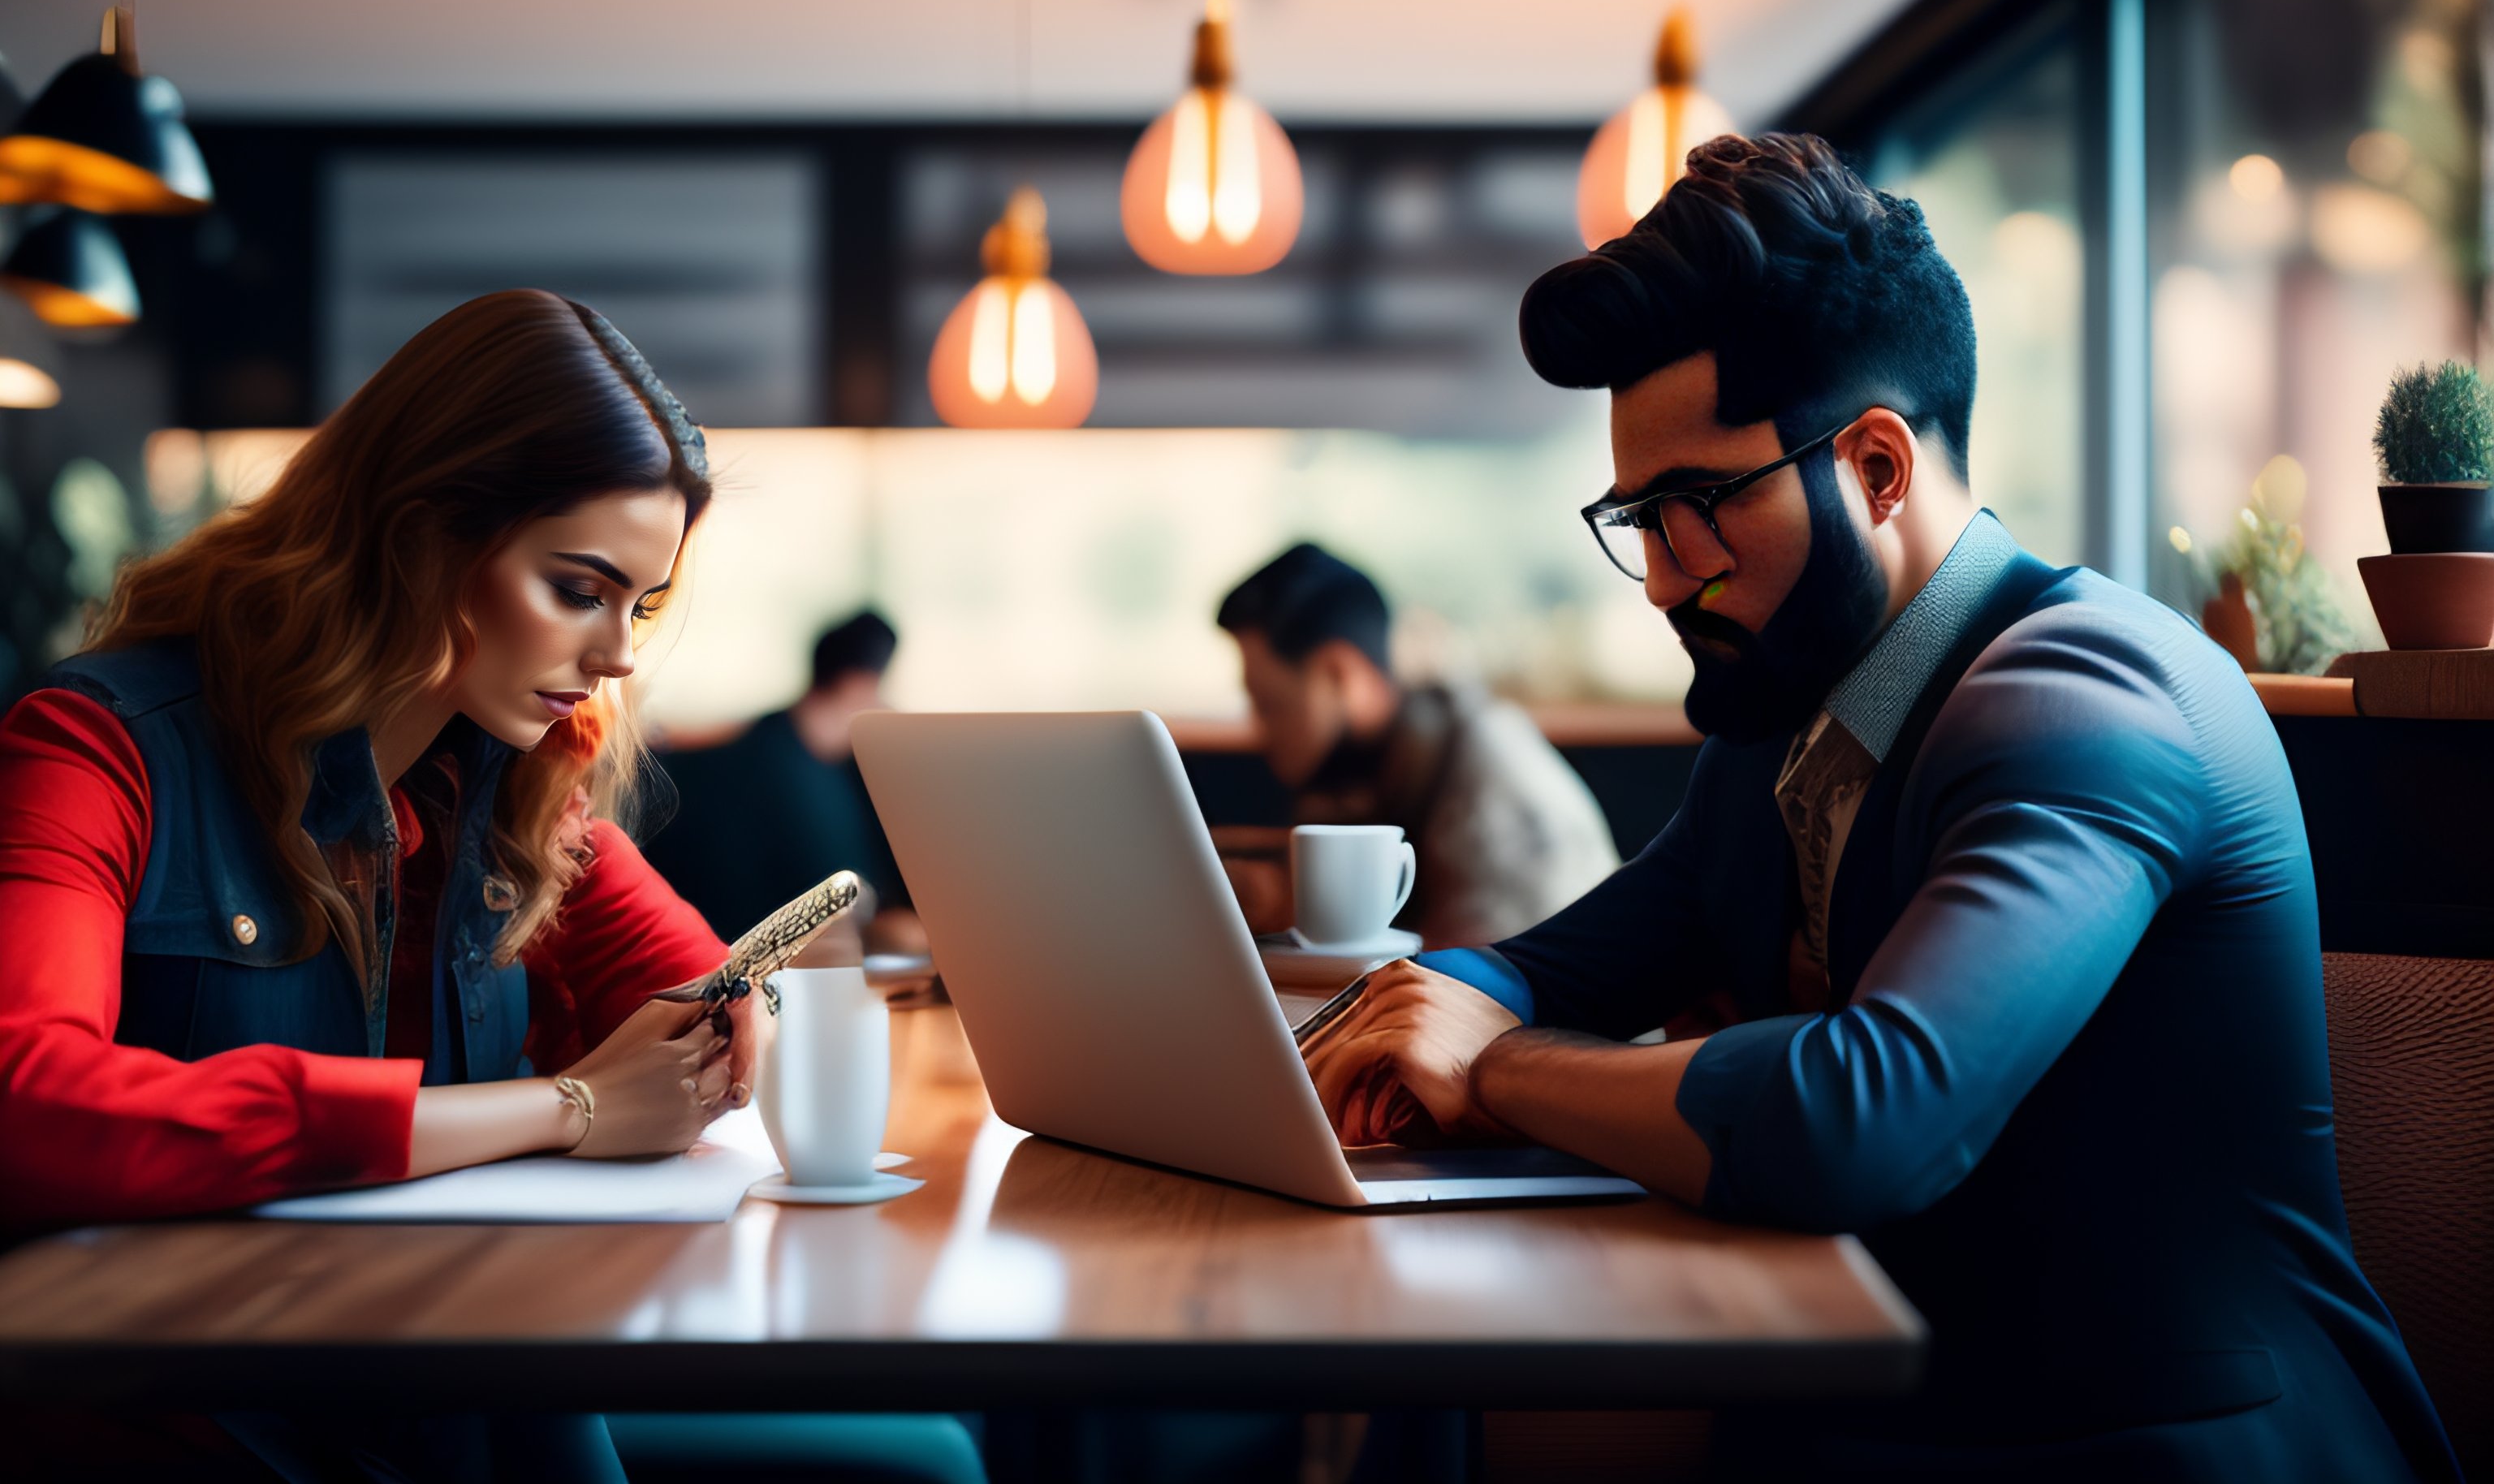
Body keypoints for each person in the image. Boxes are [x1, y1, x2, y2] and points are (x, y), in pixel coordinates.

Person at [1301, 136, 2460, 1482]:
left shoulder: (2093, 695)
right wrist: (1386, 1020)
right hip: (1875, 1406)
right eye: (1638, 521)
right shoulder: (1785, 722)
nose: (1663, 582)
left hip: (2156, 1444)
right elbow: (1558, 965)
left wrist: (1495, 1065)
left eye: (1693, 510)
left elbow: (1870, 1112)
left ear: (1875, 468)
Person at [0, 291, 977, 1482]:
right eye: (578, 589)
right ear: (420, 536)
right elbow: (27, 1102)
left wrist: (721, 1036)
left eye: (640, 604)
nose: (619, 652)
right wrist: (567, 1108)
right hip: (185, 1415)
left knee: (929, 1449)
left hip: (444, 1374)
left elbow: (695, 995)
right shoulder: (96, 747)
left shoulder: (516, 791)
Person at [1215, 542, 1616, 950]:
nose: (1258, 729)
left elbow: (1504, 979)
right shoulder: (1374, 768)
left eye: (1271, 704)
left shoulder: (1490, 790)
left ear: (1340, 674)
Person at [641, 610, 919, 963]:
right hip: (770, 966)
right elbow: (850, 909)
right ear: (859, 684)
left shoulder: (773, 744)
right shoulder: (800, 791)